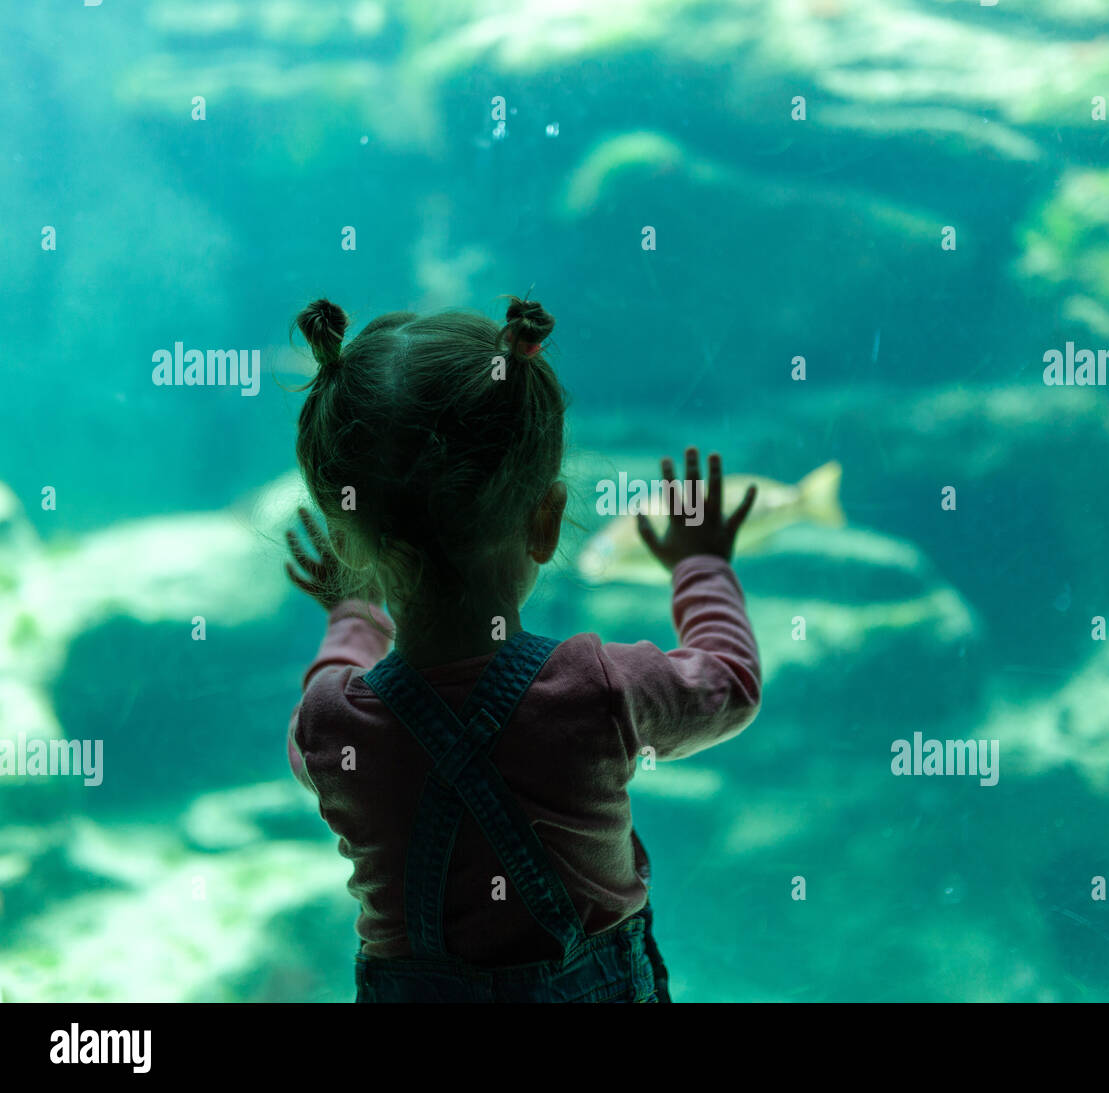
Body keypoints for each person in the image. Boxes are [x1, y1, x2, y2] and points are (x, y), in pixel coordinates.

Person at [284, 294, 762, 1002]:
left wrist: (353, 613)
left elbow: (324, 712)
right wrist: (701, 564)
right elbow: (730, 682)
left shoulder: (331, 725)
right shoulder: (598, 689)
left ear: (346, 537)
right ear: (548, 520)